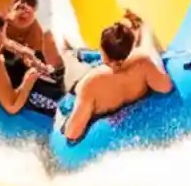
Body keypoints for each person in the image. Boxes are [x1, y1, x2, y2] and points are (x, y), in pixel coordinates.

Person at [58, 9, 173, 142]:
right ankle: (138, 27)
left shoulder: (91, 82)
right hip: (126, 68)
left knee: (79, 64)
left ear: (102, 49)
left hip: (100, 90)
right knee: (147, 50)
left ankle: (72, 51)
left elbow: (72, 133)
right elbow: (166, 87)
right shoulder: (143, 62)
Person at [4, 0, 64, 69]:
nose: (23, 13)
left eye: (27, 10)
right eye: (20, 8)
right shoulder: (3, 21)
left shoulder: (36, 31)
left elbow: (35, 58)